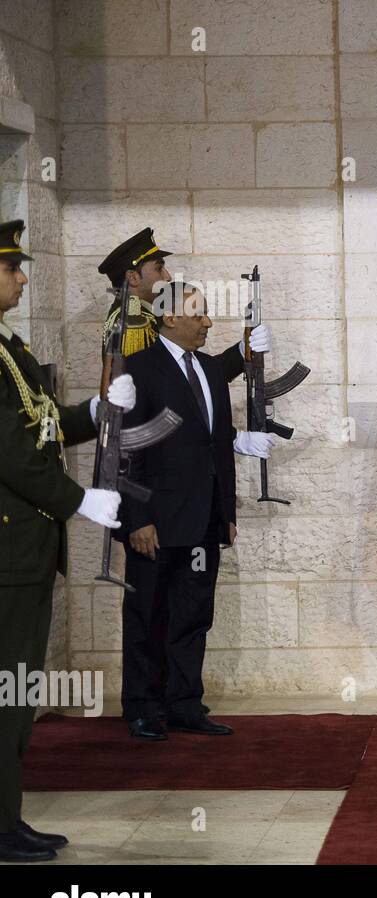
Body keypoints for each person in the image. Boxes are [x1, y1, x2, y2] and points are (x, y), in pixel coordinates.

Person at [0, 221, 131, 860]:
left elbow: (42, 427)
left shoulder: (9, 348)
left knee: (17, 689)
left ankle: (7, 817)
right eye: (11, 268)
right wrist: (80, 501)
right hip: (8, 555)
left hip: (23, 553)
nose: (22, 277)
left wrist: (94, 413)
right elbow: (13, 459)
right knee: (7, 689)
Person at [117, 282, 277, 740]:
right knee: (148, 616)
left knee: (192, 616)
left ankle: (185, 704)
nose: (208, 322)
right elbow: (126, 451)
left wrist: (225, 510)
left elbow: (216, 445)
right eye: (199, 314)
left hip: (204, 518)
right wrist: (138, 519)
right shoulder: (138, 369)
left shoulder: (207, 369)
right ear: (168, 317)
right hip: (156, 522)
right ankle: (144, 707)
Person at [97, 228, 268, 375]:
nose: (167, 276)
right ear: (133, 277)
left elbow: (186, 376)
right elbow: (168, 385)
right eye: (158, 268)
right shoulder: (134, 323)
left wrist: (242, 350)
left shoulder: (138, 315)